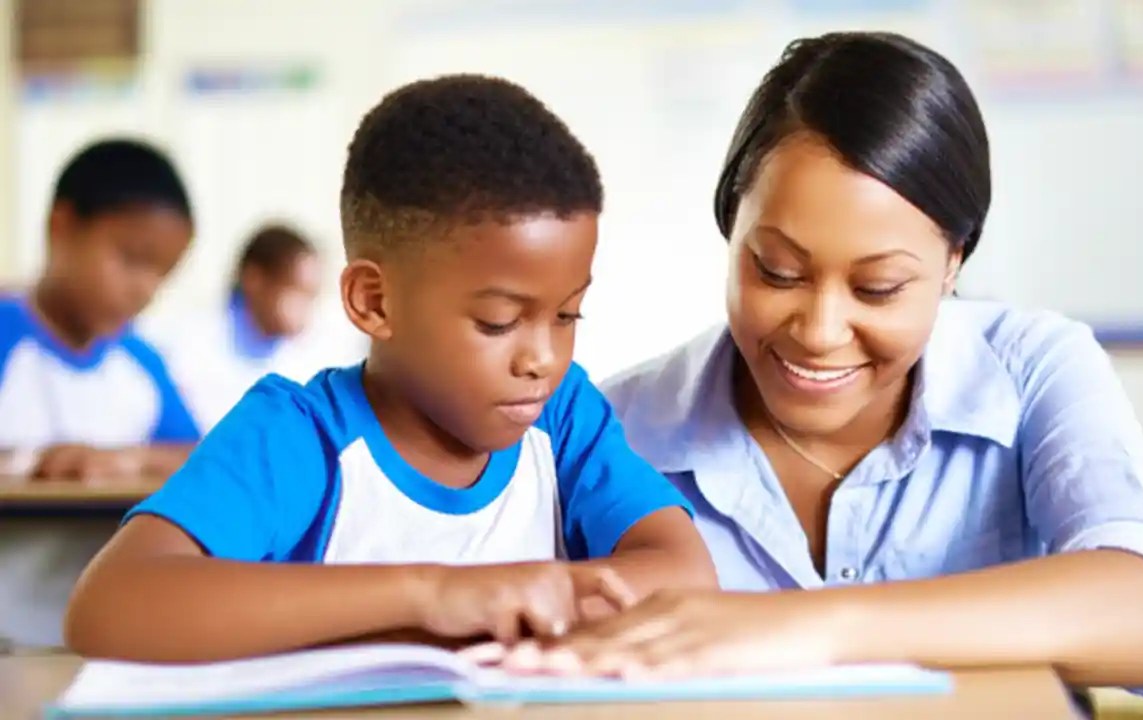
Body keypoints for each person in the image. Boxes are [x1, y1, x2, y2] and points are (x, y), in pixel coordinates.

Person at [514, 32, 1143, 697]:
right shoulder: (609, 429)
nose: (820, 333)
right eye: (777, 271)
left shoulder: (1029, 370)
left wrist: (805, 628)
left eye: (879, 287)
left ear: (953, 262)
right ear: (731, 230)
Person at [64, 75, 716, 662]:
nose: (543, 358)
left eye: (568, 315)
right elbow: (112, 606)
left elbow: (686, 574)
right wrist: (434, 595)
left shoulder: (564, 416)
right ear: (374, 302)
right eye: (497, 322)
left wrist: (540, 593)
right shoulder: (300, 437)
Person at [0, 138, 199, 646]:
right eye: (131, 259)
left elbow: (205, 458)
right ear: (62, 227)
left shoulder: (141, 365)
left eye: (162, 275)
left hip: (107, 640)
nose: (145, 289)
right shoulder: (7, 338)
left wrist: (126, 460)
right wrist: (31, 462)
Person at [145, 223, 329, 432]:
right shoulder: (184, 342)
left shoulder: (309, 362)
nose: (305, 310)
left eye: (311, 296)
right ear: (255, 279)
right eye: (295, 292)